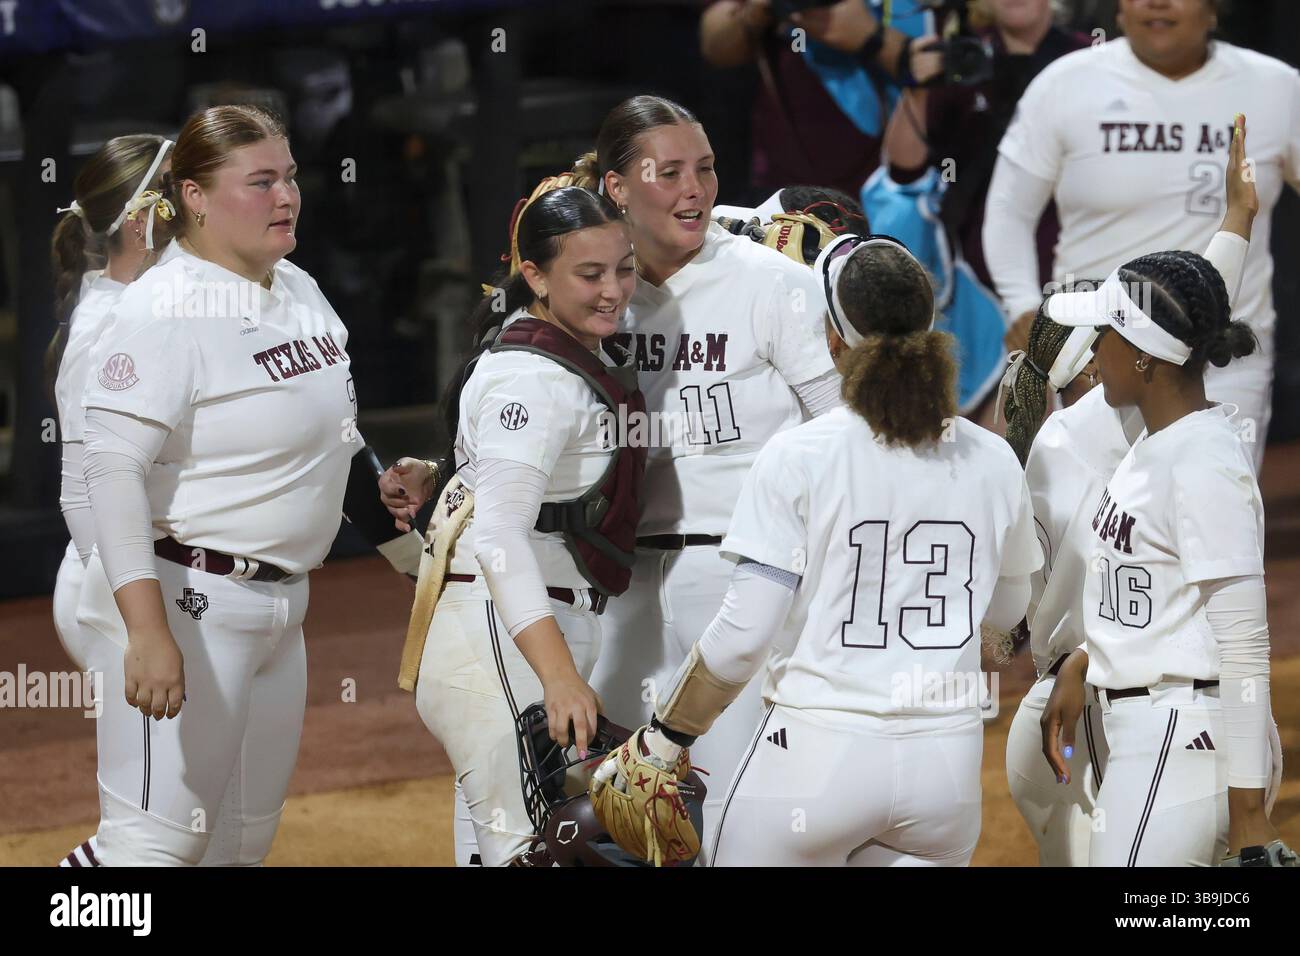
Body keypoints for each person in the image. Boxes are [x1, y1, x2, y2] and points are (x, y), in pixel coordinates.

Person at [591, 232, 1042, 867]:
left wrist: (664, 739)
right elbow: (1007, 615)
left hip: (814, 762)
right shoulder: (992, 457)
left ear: (834, 339)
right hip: (945, 771)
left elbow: (744, 637)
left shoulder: (801, 453)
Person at [74, 105, 365, 866]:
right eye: (261, 181)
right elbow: (110, 471)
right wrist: (144, 631)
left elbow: (334, 433)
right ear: (195, 197)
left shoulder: (296, 286)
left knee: (237, 846)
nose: (287, 197)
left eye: (291, 177)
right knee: (145, 854)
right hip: (187, 603)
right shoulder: (164, 308)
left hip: (279, 611)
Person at [574, 95, 843, 860]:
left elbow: (840, 430)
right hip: (625, 583)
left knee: (734, 815)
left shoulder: (771, 282)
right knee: (611, 810)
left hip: (745, 573)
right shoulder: (595, 291)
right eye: (670, 173)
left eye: (706, 168)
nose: (695, 189)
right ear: (618, 188)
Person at [1002, 116, 1264, 865]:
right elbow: (1195, 308)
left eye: (1108, 336)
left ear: (1144, 359)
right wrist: (1238, 219)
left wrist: (1249, 816)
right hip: (1149, 713)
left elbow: (1245, 645)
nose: (1095, 358)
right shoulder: (1151, 433)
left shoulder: (1196, 458)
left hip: (1186, 733)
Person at [377, 185, 644, 867]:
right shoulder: (531, 377)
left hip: (507, 631)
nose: (613, 289)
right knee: (544, 854)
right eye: (589, 274)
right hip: (500, 636)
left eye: (623, 267)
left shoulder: (554, 353)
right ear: (534, 275)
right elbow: (498, 534)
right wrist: (556, 675)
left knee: (500, 852)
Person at [983, 0, 1300, 468]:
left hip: (1222, 361)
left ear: (1214, 9)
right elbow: (1008, 211)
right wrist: (1021, 304)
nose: (1157, 3)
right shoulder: (1062, 84)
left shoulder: (1276, 87)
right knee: (1088, 527)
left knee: (1210, 515)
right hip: (1091, 359)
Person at [47, 133, 176, 868]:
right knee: (149, 840)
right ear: (142, 218)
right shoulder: (106, 327)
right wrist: (141, 618)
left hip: (148, 586)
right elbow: (80, 493)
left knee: (196, 819)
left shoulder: (154, 303)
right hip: (119, 590)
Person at [699, 0, 941, 199]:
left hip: (905, 188)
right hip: (788, 187)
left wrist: (873, 38)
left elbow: (958, 76)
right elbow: (715, 47)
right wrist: (754, 13)